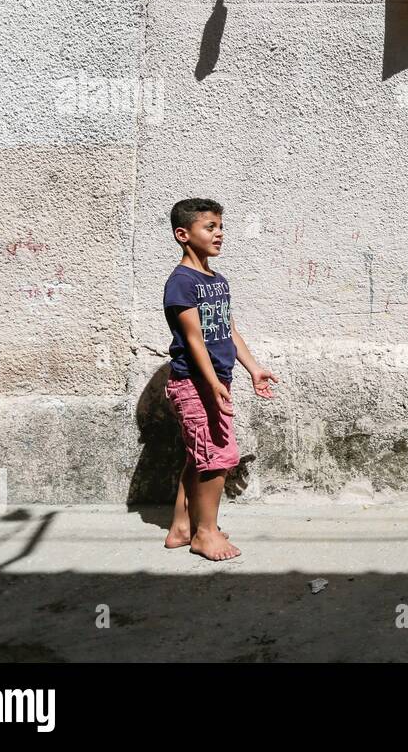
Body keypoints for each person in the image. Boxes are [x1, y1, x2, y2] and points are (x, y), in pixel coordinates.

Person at [161, 197, 278, 560]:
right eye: (210, 227)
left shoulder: (217, 280)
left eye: (221, 227)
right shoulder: (181, 282)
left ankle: (182, 528)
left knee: (201, 454)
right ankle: (205, 534)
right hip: (195, 382)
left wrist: (253, 368)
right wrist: (211, 383)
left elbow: (227, 330)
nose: (219, 234)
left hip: (215, 380)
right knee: (218, 458)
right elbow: (194, 338)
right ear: (183, 234)